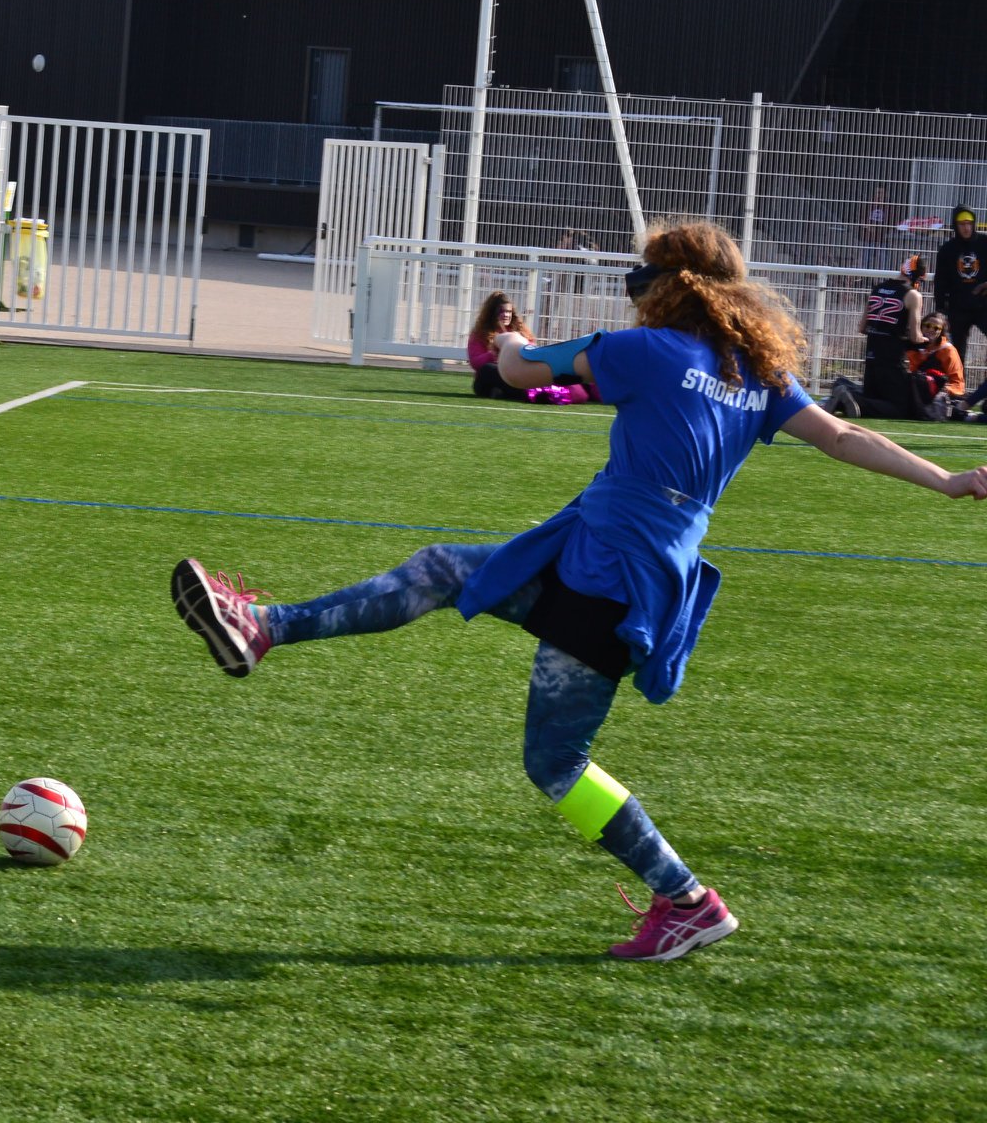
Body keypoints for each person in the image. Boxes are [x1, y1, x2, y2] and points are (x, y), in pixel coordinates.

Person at [171, 220, 987, 962]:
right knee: (448, 575)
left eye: (643, 274)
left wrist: (516, 338)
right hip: (629, 569)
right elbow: (846, 436)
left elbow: (520, 369)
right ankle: (263, 627)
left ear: (669, 286)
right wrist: (946, 479)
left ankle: (689, 901)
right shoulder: (758, 375)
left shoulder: (644, 352)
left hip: (607, 571)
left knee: (554, 757)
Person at [825, 255, 925, 420]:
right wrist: (925, 341)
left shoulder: (877, 288)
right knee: (900, 408)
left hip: (871, 356)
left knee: (874, 400)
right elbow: (915, 336)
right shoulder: (913, 295)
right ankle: (849, 395)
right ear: (917, 276)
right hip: (892, 359)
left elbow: (862, 327)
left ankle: (843, 392)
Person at [466, 292, 597, 405]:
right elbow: (475, 362)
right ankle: (529, 393)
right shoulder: (480, 333)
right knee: (487, 370)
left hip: (520, 373)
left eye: (508, 311)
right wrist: (495, 354)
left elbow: (532, 352)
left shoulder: (519, 331)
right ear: (492, 313)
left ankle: (507, 392)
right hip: (495, 374)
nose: (506, 315)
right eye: (501, 311)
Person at [935, 205, 987, 372]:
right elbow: (940, 281)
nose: (966, 227)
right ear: (955, 225)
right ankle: (957, 392)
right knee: (957, 352)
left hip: (984, 305)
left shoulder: (984, 243)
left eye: (969, 223)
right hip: (958, 308)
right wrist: (941, 308)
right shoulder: (947, 249)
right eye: (962, 224)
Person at [859, 185, 893, 274]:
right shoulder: (869, 205)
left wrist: (883, 231)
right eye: (878, 192)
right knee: (865, 261)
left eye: (881, 193)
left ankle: (882, 278)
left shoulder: (888, 207)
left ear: (885, 194)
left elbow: (891, 222)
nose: (879, 195)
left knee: (882, 262)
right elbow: (862, 220)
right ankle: (864, 277)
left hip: (882, 239)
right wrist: (869, 228)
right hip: (867, 238)